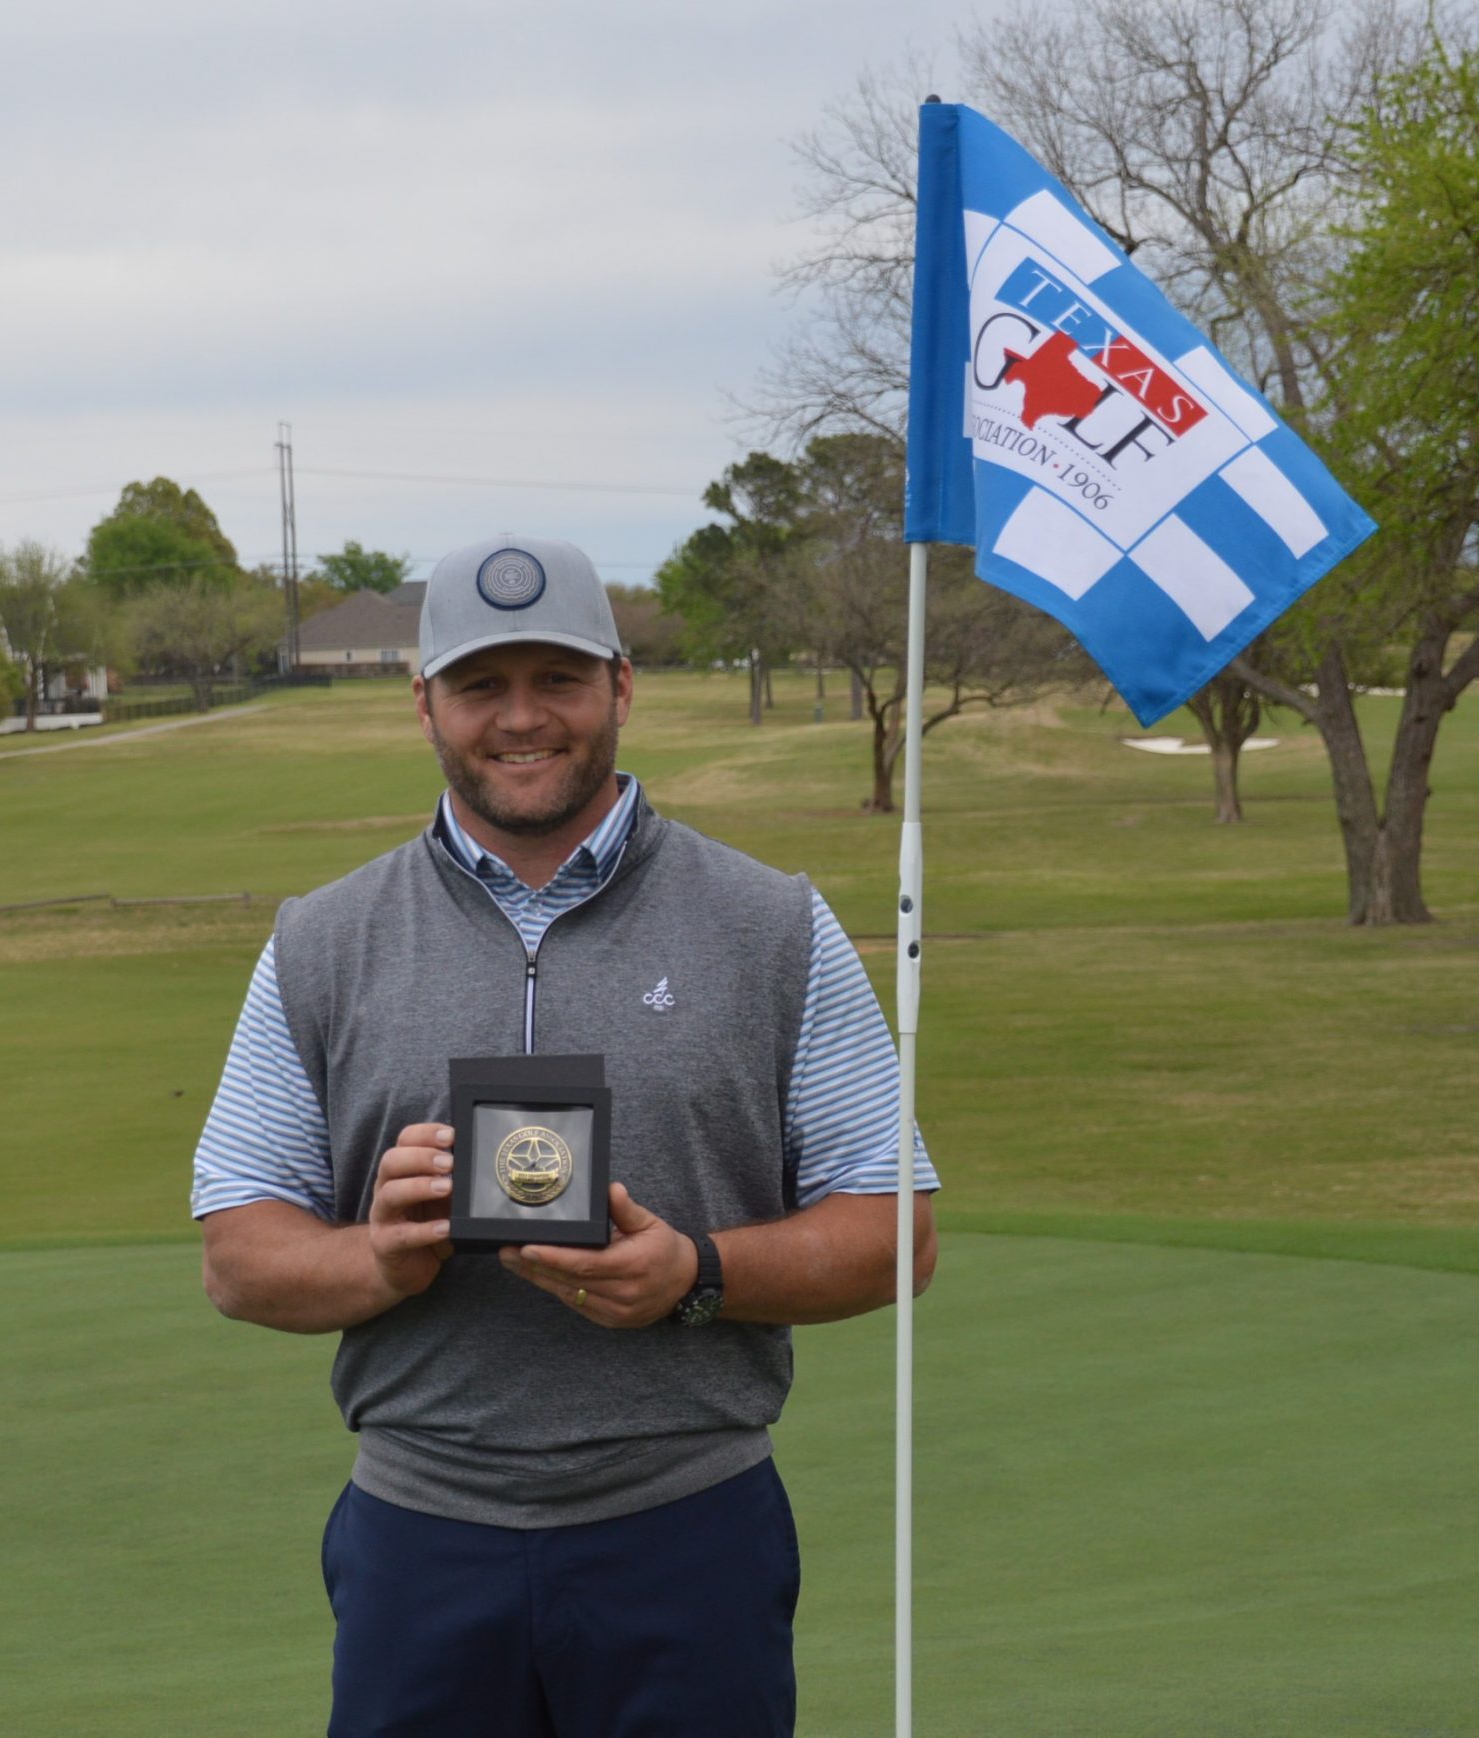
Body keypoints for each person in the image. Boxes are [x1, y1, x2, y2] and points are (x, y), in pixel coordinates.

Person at [192, 532, 939, 1738]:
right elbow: (237, 1254)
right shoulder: (320, 940)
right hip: (421, 1540)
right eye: (480, 684)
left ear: (621, 686)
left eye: (558, 678)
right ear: (423, 703)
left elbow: (897, 1230)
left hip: (687, 1533)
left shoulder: (770, 924)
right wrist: (374, 1259)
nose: (521, 717)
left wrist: (693, 1274)